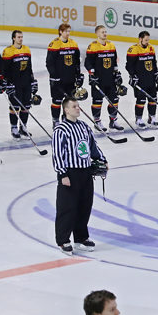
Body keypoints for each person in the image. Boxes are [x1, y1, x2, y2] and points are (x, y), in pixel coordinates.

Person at [53, 96, 106, 254]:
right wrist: (62, 174)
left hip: (85, 171)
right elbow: (57, 153)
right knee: (67, 207)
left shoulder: (84, 126)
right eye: (74, 106)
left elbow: (92, 146)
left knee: (85, 206)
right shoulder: (61, 129)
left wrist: (102, 160)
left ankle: (81, 238)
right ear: (66, 110)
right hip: (70, 173)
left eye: (78, 106)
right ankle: (63, 240)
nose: (78, 108)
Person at [85, 25, 122, 132]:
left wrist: (117, 73)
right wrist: (92, 75)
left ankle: (113, 121)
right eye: (102, 32)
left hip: (110, 79)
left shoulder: (111, 45)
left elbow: (114, 61)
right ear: (97, 34)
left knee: (114, 100)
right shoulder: (93, 46)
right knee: (97, 101)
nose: (105, 34)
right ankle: (97, 122)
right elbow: (88, 63)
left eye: (105, 32)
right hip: (98, 79)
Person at [0, 30, 37, 141]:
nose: (21, 39)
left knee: (26, 106)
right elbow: (5, 69)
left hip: (25, 82)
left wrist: (32, 80)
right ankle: (14, 128)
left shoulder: (26, 49)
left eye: (22, 36)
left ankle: (23, 127)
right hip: (14, 84)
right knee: (15, 107)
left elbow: (29, 67)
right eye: (19, 37)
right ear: (13, 38)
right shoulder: (8, 51)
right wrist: (7, 83)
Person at [47, 23, 83, 127]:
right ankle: (55, 121)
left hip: (70, 79)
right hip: (58, 79)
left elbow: (76, 62)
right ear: (60, 32)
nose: (68, 33)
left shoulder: (73, 44)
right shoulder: (54, 44)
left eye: (69, 31)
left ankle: (66, 119)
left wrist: (78, 75)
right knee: (56, 101)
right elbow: (49, 63)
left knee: (69, 101)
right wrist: (54, 77)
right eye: (66, 31)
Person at [126, 30, 158, 129]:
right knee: (141, 100)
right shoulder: (133, 49)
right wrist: (132, 76)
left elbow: (153, 63)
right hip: (140, 80)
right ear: (140, 39)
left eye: (148, 40)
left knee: (153, 99)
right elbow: (129, 65)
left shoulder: (151, 48)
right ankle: (138, 119)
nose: (147, 42)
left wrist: (157, 73)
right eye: (146, 40)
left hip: (150, 79)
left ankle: (152, 118)